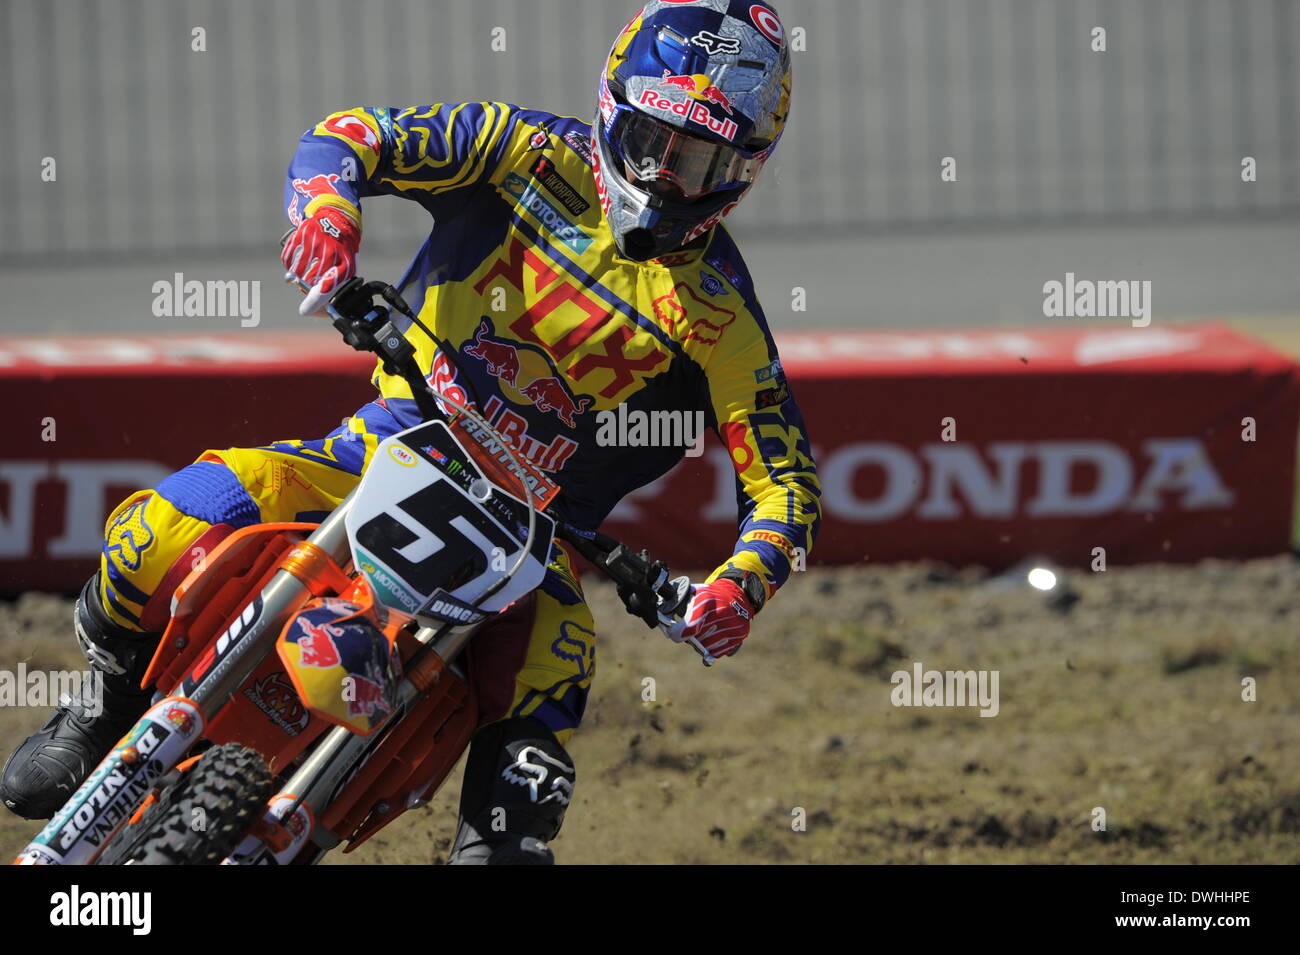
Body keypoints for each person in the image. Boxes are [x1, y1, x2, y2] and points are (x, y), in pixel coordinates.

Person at [1, 0, 819, 864]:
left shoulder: (725, 316)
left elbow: (787, 485)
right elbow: (351, 133)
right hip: (380, 446)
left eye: (705, 163)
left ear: (747, 168)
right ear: (615, 106)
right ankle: (96, 710)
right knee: (157, 526)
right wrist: (326, 213)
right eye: (658, 145)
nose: (669, 182)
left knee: (547, 712)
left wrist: (739, 586)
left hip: (536, 548)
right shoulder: (523, 152)